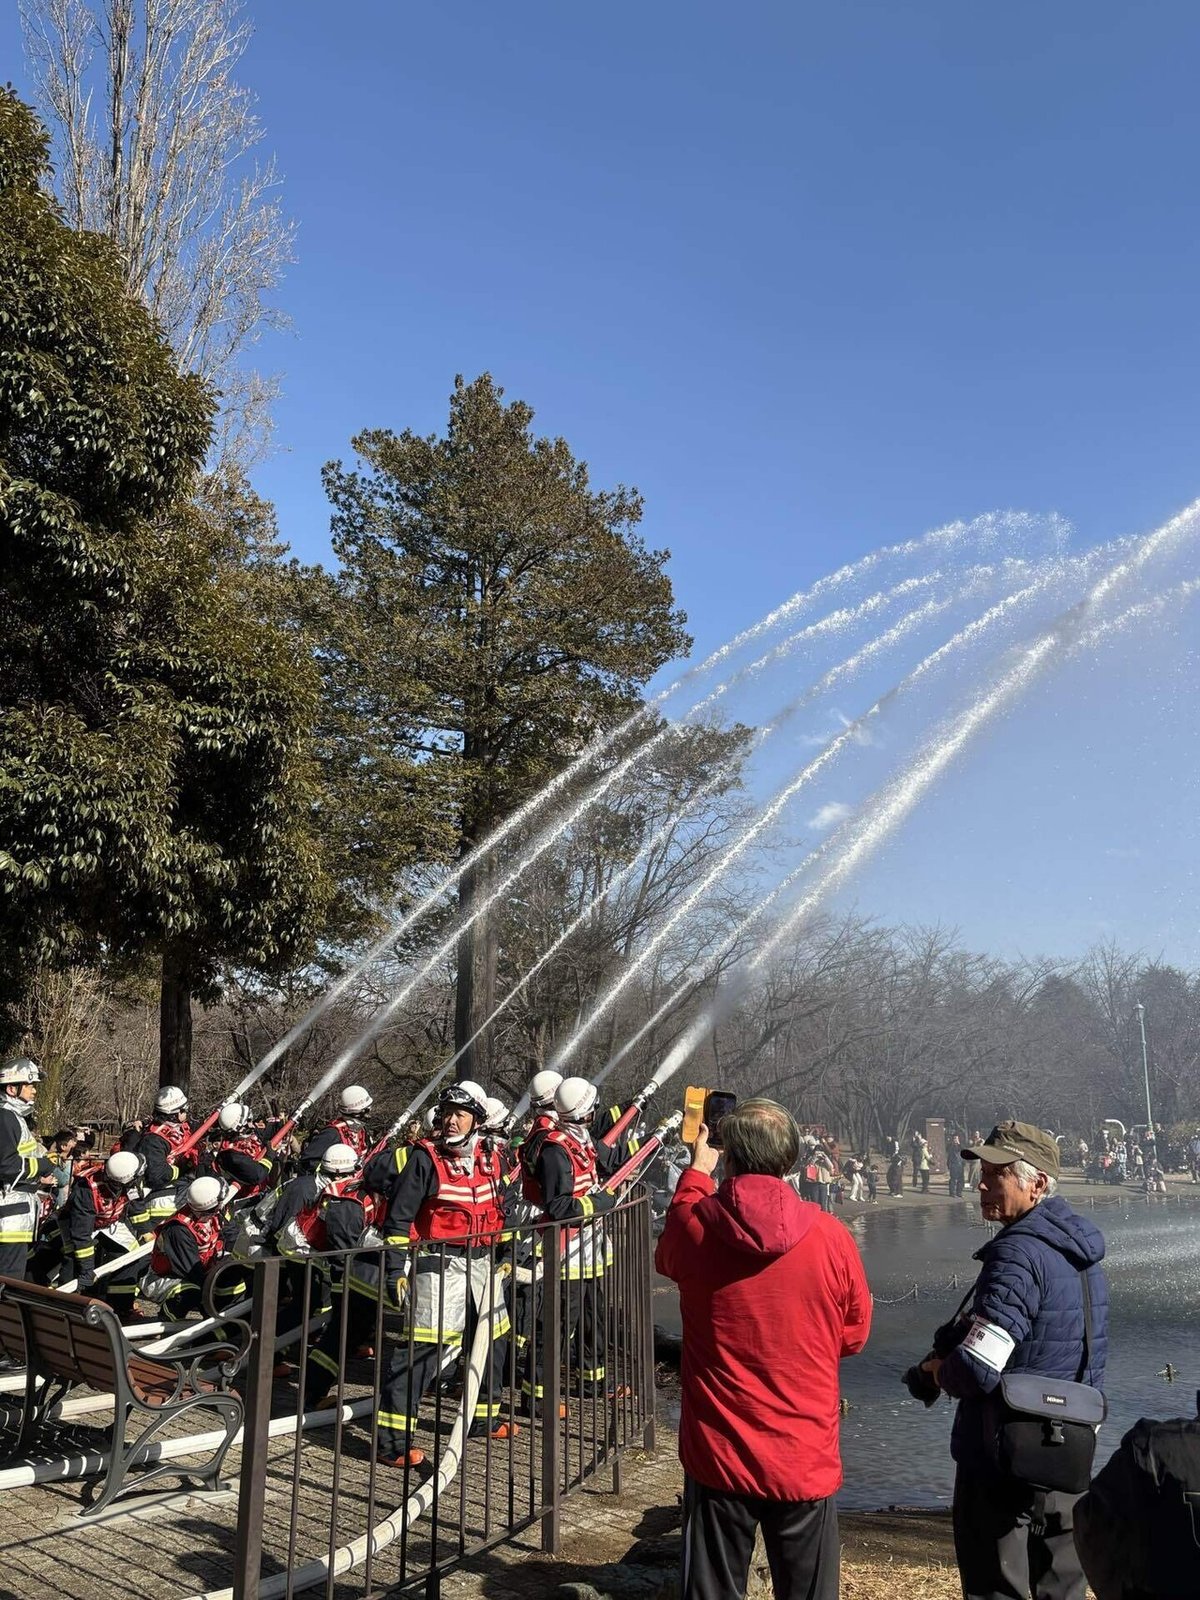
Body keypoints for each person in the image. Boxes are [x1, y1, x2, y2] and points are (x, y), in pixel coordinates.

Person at [656, 1098, 871, 1600]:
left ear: (727, 1157)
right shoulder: (831, 1236)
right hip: (804, 1451)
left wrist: (695, 1173)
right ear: (792, 1162)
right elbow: (854, 1335)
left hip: (720, 1450)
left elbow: (667, 1252)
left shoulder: (697, 1225)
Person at [914, 1120, 1108, 1600]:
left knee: (996, 1588)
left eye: (995, 1174)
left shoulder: (1017, 1254)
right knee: (1061, 1590)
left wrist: (940, 1372)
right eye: (982, 1172)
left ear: (1036, 1184)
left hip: (1002, 1459)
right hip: (1070, 1452)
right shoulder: (1083, 1253)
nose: (981, 1183)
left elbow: (979, 1366)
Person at [376, 1080, 513, 1466]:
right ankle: (392, 1443)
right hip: (439, 1266)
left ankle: (484, 1419)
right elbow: (398, 1221)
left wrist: (505, 1251)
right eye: (447, 1113)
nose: (451, 1121)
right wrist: (394, 1271)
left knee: (493, 1341)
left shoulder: (491, 1157)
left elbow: (502, 1208)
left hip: (483, 1264)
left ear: (477, 1121)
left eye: (460, 1114)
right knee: (422, 1352)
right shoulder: (424, 1159)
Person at [0, 1057, 54, 1279]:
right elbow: (6, 1165)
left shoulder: (14, 1117)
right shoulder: (5, 1117)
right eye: (30, 1085)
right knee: (9, 1279)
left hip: (16, 1213)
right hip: (9, 1213)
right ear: (12, 1088)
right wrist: (43, 1165)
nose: (34, 1091)